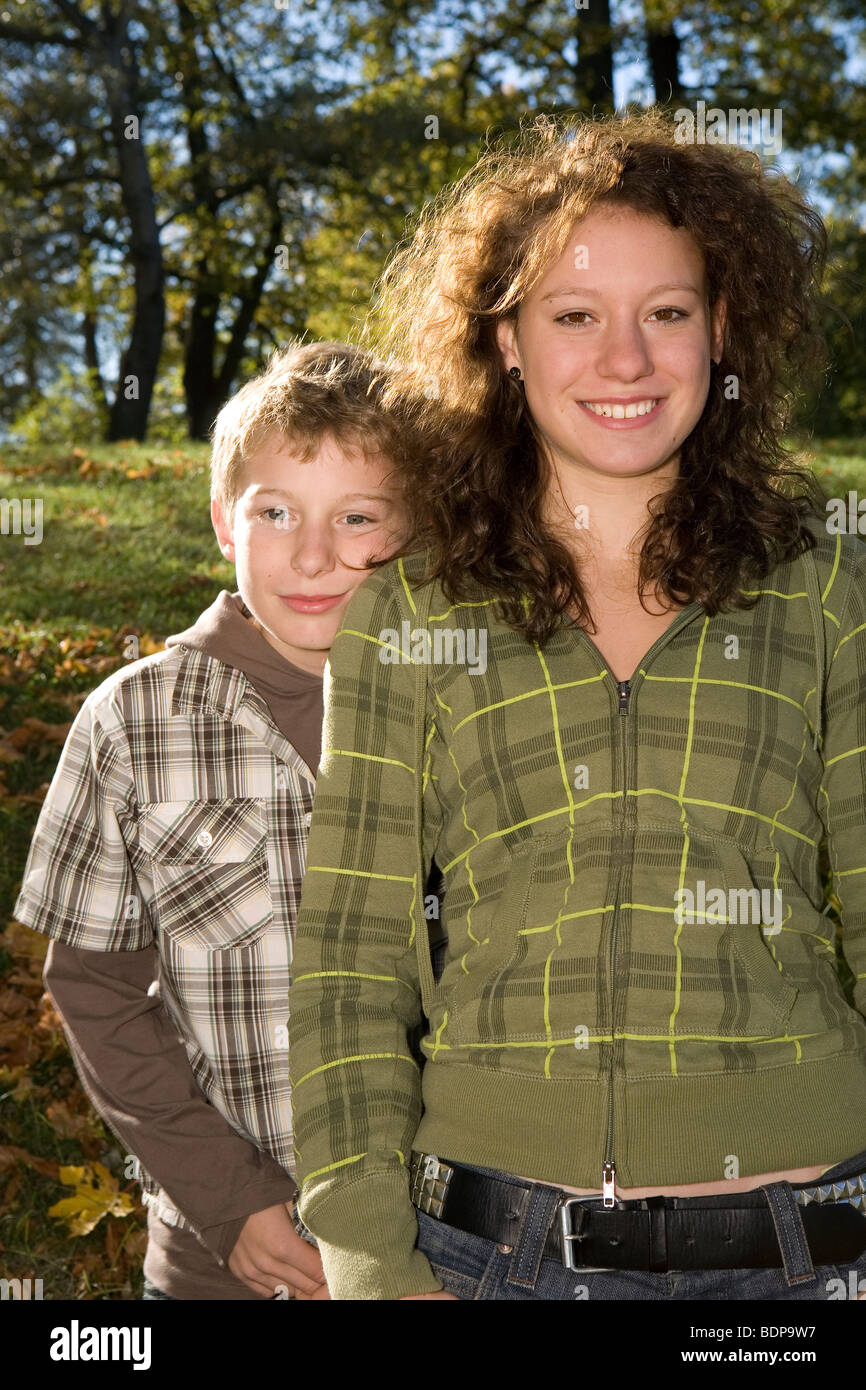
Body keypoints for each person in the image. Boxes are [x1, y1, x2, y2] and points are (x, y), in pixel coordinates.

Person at [287, 111, 866, 1301]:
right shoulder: (407, 611)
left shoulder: (826, 586)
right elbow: (348, 961)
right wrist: (364, 1258)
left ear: (720, 329)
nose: (625, 360)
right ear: (503, 339)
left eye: (665, 312)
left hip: (804, 1252)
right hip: (493, 1257)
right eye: (572, 316)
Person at [13, 340, 417, 1299]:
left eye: (356, 517)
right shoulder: (132, 720)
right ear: (223, 524)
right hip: (221, 1255)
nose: (312, 554)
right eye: (275, 512)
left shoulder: (455, 708)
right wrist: (227, 1198)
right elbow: (94, 990)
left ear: (413, 531)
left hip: (443, 1245)